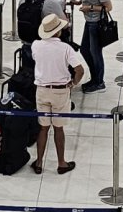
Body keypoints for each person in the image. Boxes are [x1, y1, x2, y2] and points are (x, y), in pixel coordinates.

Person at [30, 13, 84, 174]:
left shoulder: (36, 45)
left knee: (43, 128)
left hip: (41, 90)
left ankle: (39, 163)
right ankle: (61, 163)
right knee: (58, 129)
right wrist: (73, 83)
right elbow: (79, 70)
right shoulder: (66, 48)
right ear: (58, 31)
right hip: (60, 92)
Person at [75, 0, 112, 94]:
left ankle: (99, 82)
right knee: (85, 49)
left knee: (95, 53)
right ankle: (95, 76)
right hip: (88, 21)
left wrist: (89, 8)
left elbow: (108, 7)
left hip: (96, 23)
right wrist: (80, 2)